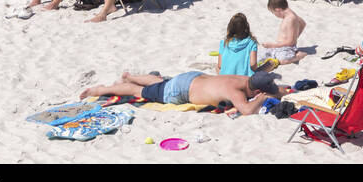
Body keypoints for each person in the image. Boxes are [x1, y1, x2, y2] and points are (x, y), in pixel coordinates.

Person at [81, 71, 273, 117]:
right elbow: (247, 111)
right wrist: (262, 98)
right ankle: (100, 89)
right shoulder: (236, 92)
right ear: (257, 90)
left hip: (192, 78)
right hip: (181, 90)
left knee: (161, 84)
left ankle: (130, 75)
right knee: (137, 90)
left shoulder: (242, 78)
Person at [261, 0, 307, 64]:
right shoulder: (290, 13)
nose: (274, 15)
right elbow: (303, 23)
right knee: (263, 55)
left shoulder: (290, 19)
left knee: (282, 61)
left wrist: (272, 45)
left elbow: (290, 42)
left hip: (287, 48)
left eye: (273, 12)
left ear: (278, 10)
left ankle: (299, 56)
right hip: (280, 45)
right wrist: (294, 36)